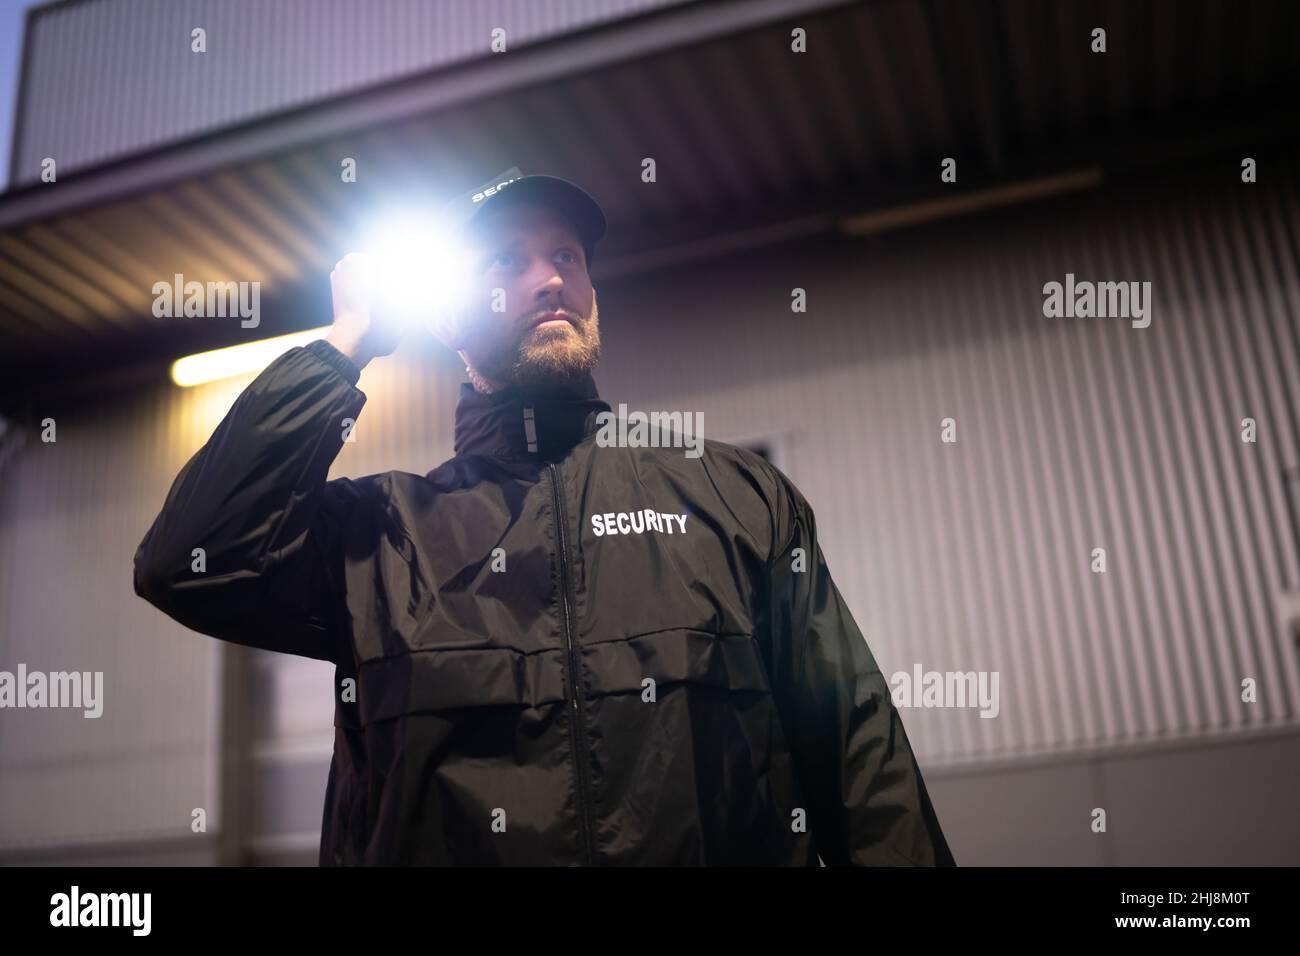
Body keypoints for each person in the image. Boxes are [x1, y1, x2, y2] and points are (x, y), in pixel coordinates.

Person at [133, 170, 956, 866]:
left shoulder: (734, 498)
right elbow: (187, 560)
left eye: (566, 255)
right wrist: (343, 345)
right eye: (507, 260)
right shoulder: (378, 536)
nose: (550, 276)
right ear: (450, 319)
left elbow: (858, 755)